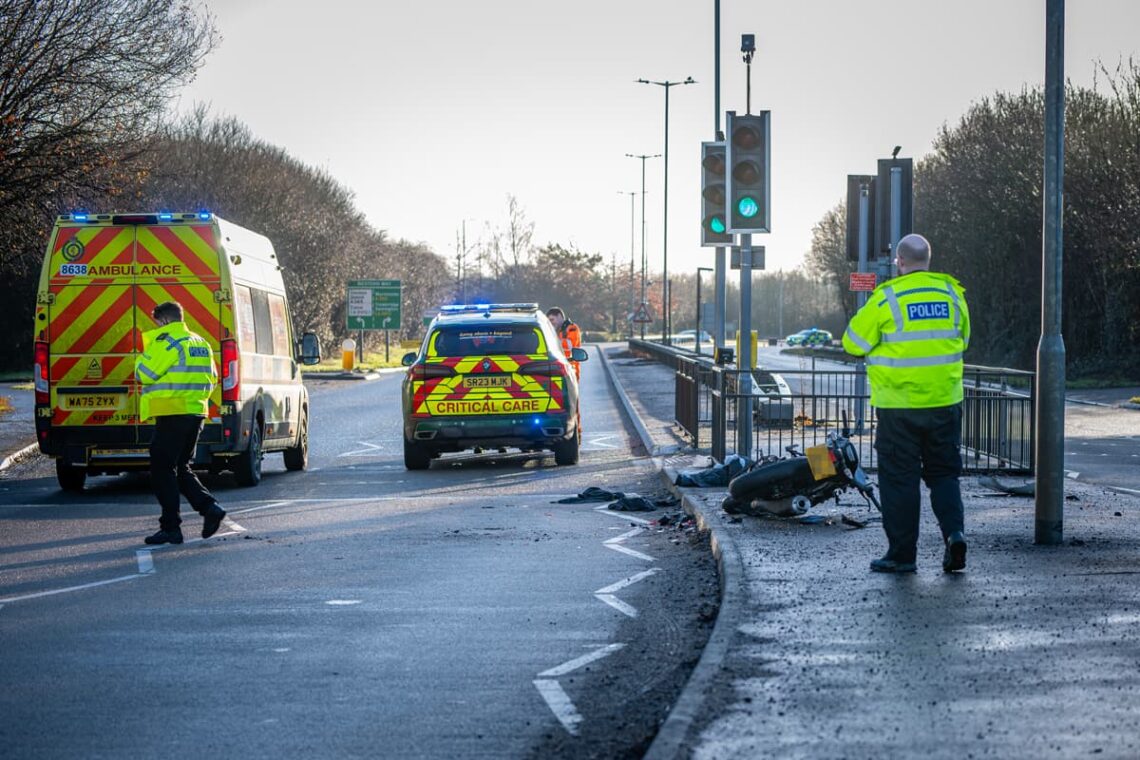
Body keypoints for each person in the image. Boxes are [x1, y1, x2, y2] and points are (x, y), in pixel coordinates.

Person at [842, 234, 970, 574]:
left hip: (898, 407)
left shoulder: (887, 298)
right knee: (944, 475)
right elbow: (964, 339)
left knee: (900, 480)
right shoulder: (952, 294)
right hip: (945, 403)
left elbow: (852, 343)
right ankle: (954, 535)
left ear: (899, 261)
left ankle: (902, 555)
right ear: (928, 259)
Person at [135, 301, 226, 545]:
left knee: (162, 469)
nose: (156, 327)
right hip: (196, 412)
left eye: (157, 322)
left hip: (172, 412)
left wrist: (142, 356)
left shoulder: (167, 342)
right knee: (181, 466)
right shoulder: (200, 342)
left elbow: (145, 373)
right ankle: (209, 508)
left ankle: (171, 528)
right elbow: (214, 378)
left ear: (164, 320)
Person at [545, 307, 582, 379]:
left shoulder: (572, 328)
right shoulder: (554, 331)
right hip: (558, 369)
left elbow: (570, 345)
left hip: (571, 370)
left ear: (559, 316)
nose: (551, 323)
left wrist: (553, 340)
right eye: (549, 321)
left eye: (552, 319)